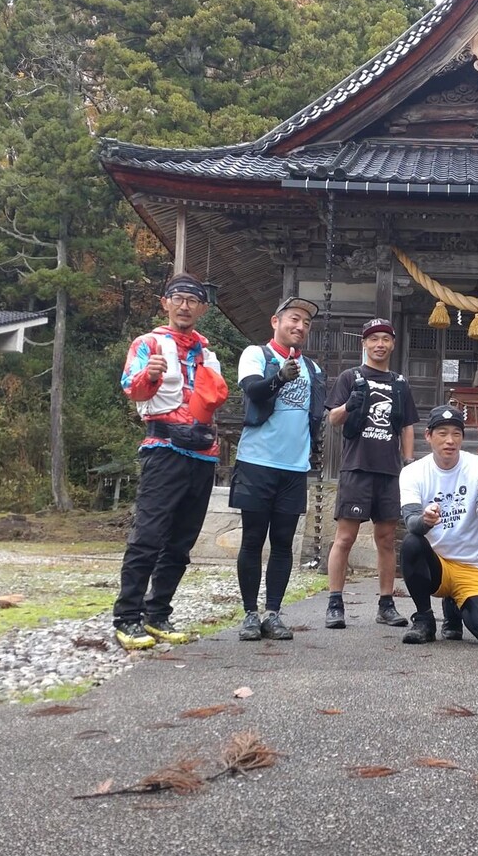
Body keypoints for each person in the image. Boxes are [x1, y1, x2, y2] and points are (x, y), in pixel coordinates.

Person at [112, 274, 229, 650]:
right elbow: (132, 388)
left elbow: (213, 401)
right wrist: (151, 375)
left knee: (181, 540)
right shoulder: (148, 343)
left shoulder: (208, 354)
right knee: (148, 535)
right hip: (163, 448)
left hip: (202, 452)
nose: (184, 306)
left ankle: (158, 612)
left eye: (192, 301)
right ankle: (127, 616)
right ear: (165, 302)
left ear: (203, 309)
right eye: (177, 298)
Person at [232, 295, 326, 641]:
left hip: (293, 468)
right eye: (294, 319)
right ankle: (249, 614)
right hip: (257, 461)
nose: (300, 327)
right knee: (253, 539)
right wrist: (280, 378)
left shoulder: (313, 369)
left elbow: (317, 414)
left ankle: (273, 612)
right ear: (276, 321)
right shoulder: (257, 354)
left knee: (284, 542)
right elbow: (254, 392)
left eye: (306, 322)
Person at [324, 318, 419, 629]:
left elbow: (406, 425)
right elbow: (333, 419)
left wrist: (408, 461)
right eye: (374, 339)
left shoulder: (400, 383)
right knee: (345, 537)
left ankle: (386, 603)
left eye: (385, 339)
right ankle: (335, 603)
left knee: (387, 539)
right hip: (356, 467)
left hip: (389, 470)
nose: (380, 344)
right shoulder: (350, 377)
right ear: (363, 344)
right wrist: (350, 404)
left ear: (393, 344)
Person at [399, 405, 478, 647]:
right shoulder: (412, 472)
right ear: (428, 436)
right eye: (442, 433)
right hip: (437, 566)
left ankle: (455, 606)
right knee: (411, 543)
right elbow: (412, 523)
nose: (450, 441)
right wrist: (424, 521)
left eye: (456, 434)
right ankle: (424, 619)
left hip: (474, 566)